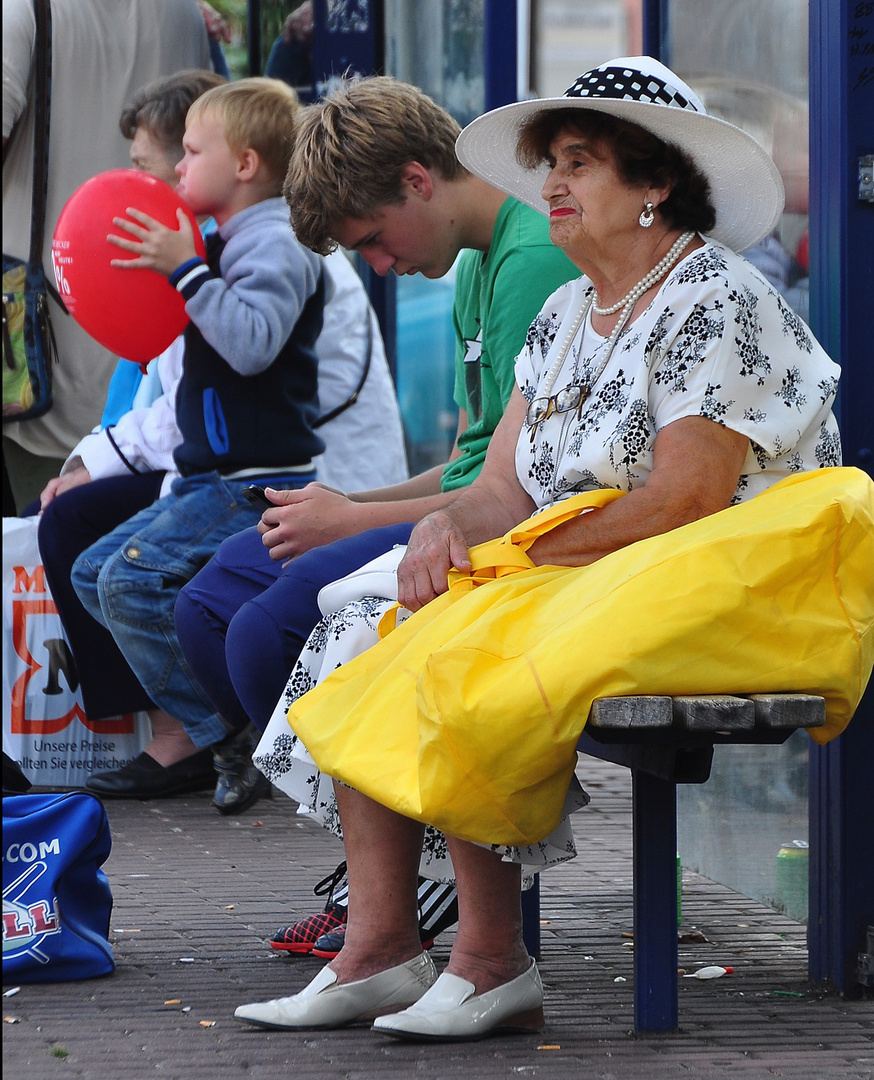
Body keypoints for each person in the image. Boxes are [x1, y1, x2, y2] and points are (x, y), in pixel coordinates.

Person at [234, 55, 843, 1039]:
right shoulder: (567, 314)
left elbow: (686, 503)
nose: (551, 185)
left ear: (656, 185)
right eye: (550, 162)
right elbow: (502, 488)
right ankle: (383, 948)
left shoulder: (716, 300)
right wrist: (445, 526)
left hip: (718, 591)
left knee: (468, 637)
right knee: (370, 623)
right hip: (606, 579)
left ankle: (489, 958)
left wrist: (507, 557)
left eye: (582, 163)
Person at [165, 74, 577, 942]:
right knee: (211, 605)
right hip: (475, 509)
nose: (382, 267)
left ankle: (418, 871)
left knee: (264, 631)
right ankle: (394, 861)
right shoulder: (476, 261)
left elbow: (518, 490)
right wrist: (350, 504)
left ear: (420, 181)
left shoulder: (532, 257)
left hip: (518, 537)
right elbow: (474, 459)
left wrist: (349, 521)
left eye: (376, 241)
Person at [35, 69, 405, 805]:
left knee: (127, 578)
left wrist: (187, 271)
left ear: (244, 166)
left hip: (251, 479)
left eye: (191, 152)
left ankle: (232, 733)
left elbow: (251, 345)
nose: (176, 168)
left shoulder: (277, 244)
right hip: (211, 474)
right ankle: (223, 731)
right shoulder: (224, 242)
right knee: (91, 571)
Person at [2, 0, 212, 515]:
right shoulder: (184, 12)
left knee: (39, 543)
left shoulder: (23, 12)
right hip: (161, 340)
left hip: (41, 346)